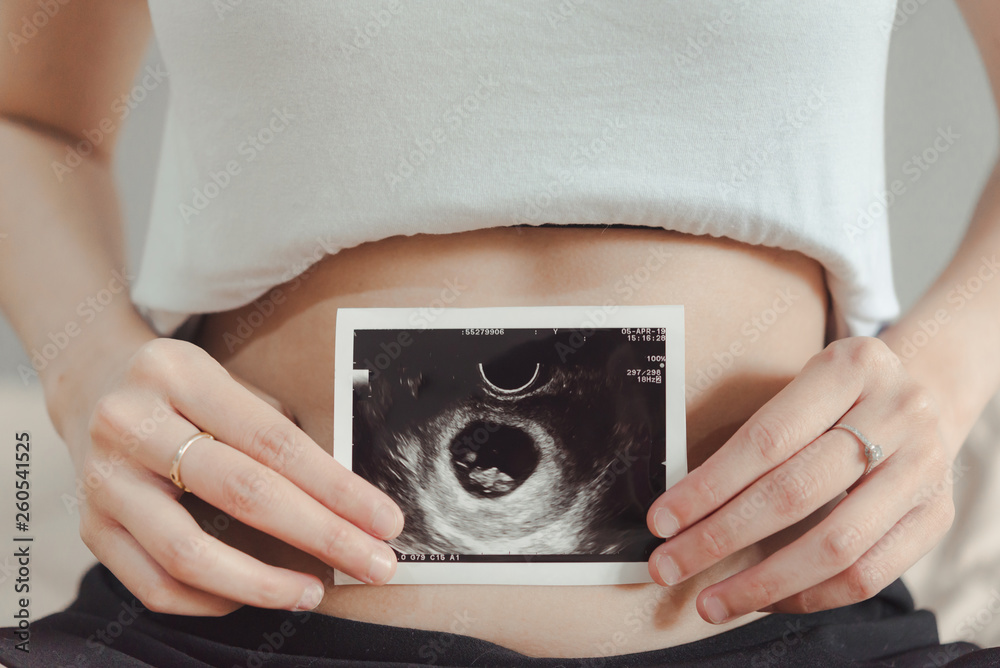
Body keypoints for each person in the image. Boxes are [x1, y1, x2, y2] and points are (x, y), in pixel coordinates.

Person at [2, 0, 1000, 665]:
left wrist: (950, 367)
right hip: (218, 627)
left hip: (787, 621)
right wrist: (85, 366)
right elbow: (25, 116)